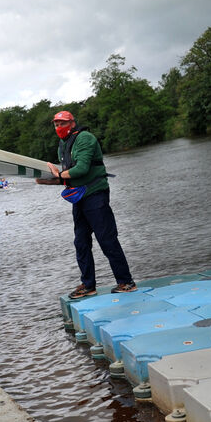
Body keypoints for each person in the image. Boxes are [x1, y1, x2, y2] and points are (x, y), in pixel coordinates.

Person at [45, 110, 136, 300]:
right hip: (79, 197)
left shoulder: (85, 138)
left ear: (72, 123)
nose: (58, 127)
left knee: (107, 238)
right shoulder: (63, 145)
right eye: (56, 124)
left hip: (95, 194)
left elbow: (82, 168)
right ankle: (88, 285)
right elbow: (68, 172)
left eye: (62, 123)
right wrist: (57, 177)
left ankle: (126, 282)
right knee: (81, 242)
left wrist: (59, 175)